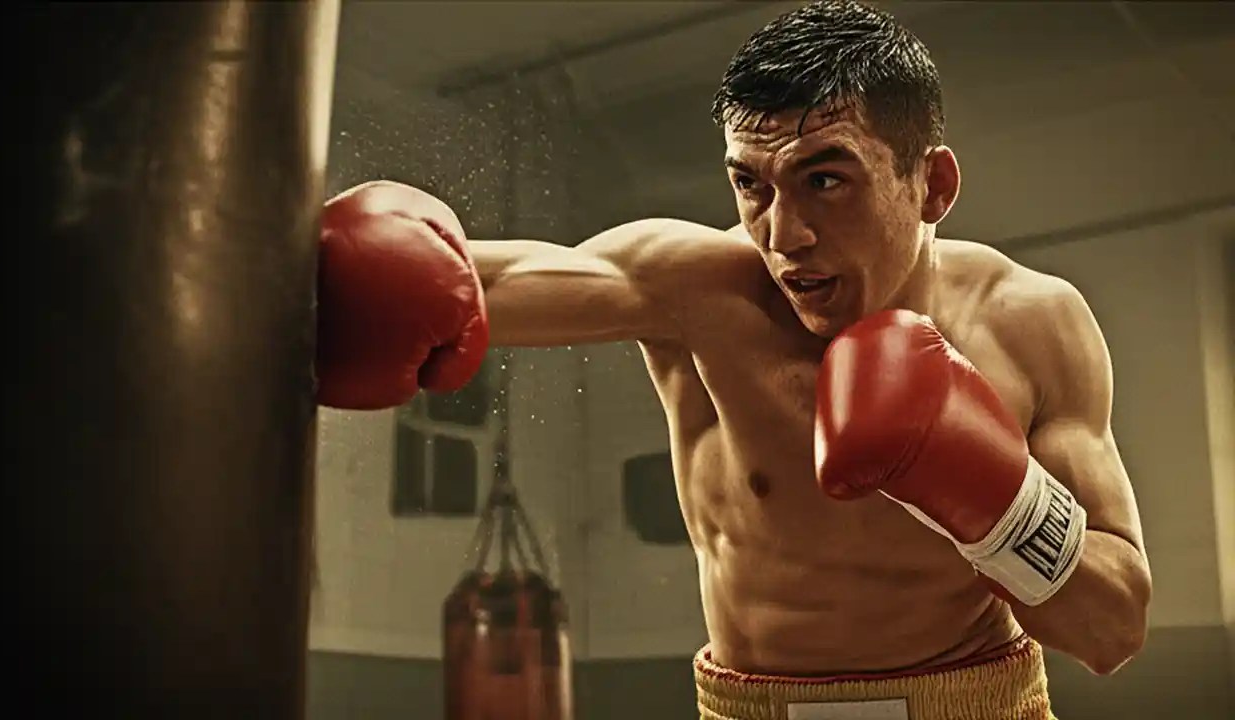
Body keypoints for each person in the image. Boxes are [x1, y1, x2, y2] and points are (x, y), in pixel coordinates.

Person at [316, 2, 1152, 718]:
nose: (783, 237)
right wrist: (318, 278)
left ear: (931, 186)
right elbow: (450, 285)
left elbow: (1112, 627)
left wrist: (994, 503)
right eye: (751, 185)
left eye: (825, 181)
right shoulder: (694, 291)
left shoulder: (1030, 324)